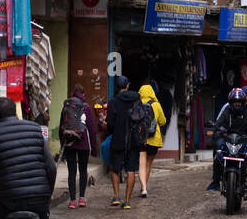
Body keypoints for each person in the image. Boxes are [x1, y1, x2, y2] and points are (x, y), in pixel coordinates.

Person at [207, 87, 247, 193]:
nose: (237, 104)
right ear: (231, 102)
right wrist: (213, 130)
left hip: (244, 140)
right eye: (235, 102)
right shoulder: (227, 111)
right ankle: (216, 181)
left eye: (240, 102)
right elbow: (219, 122)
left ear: (243, 102)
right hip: (228, 139)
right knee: (218, 155)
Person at [105, 74, 143, 208]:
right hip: (133, 140)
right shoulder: (137, 99)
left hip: (118, 139)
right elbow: (141, 118)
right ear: (127, 86)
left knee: (115, 169)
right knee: (131, 169)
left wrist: (113, 131)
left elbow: (109, 123)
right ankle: (127, 201)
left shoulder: (113, 102)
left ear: (117, 87)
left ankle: (116, 197)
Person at [59, 83, 98, 209]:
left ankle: (72, 201)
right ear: (84, 94)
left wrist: (62, 146)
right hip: (83, 143)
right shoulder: (86, 107)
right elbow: (92, 129)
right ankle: (81, 198)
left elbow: (61, 127)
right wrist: (94, 148)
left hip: (69, 143)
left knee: (71, 172)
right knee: (83, 170)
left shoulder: (67, 106)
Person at [137, 81, 167, 197]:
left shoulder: (137, 104)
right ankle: (143, 187)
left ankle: (143, 187)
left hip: (141, 138)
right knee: (149, 163)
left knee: (141, 163)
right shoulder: (156, 104)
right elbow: (163, 121)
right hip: (154, 138)